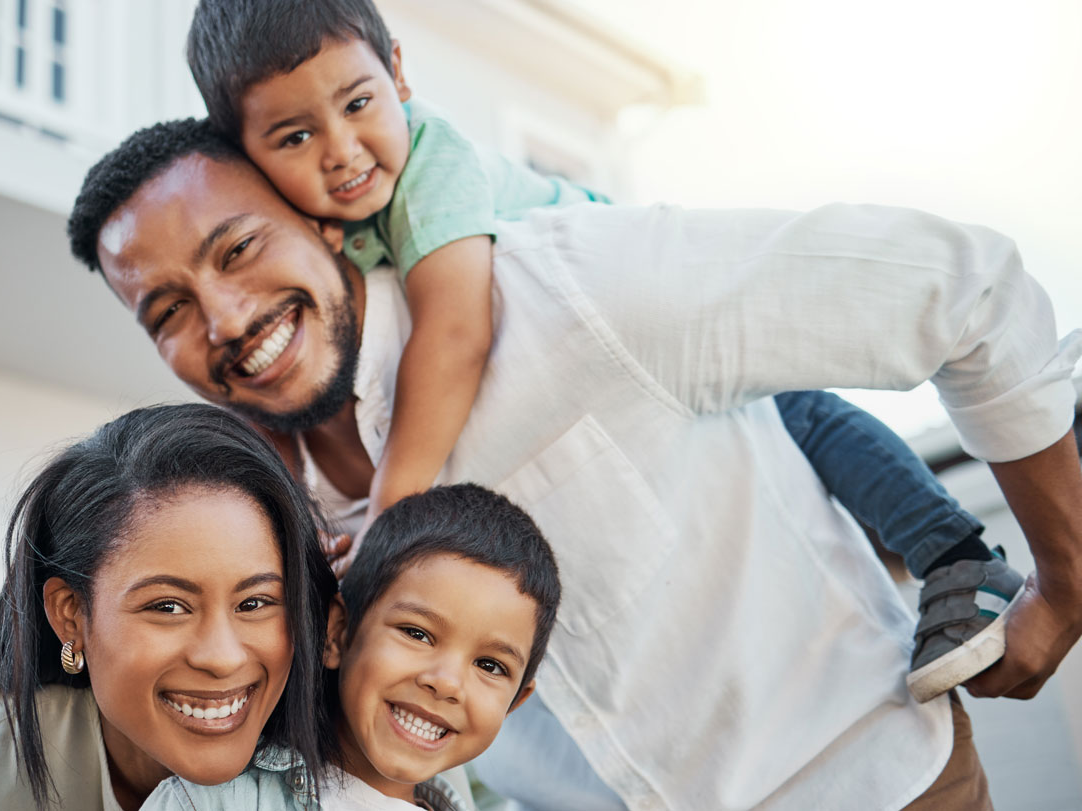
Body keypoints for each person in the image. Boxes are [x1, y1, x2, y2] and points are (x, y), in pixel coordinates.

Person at [64, 119, 1082, 809]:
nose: (227, 319)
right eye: (169, 309)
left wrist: (1065, 584)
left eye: (239, 249)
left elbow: (965, 291)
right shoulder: (275, 527)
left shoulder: (570, 289)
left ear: (323, 214)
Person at [183, 0, 1017, 704]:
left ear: (400, 74)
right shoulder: (324, 225)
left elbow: (455, 328)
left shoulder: (434, 160)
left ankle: (956, 554)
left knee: (803, 412)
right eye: (293, 138)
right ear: (248, 158)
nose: (340, 148)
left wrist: (395, 502)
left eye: (359, 102)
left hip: (646, 305)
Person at [0, 404, 339, 811]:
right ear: (71, 615)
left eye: (255, 602)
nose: (222, 658)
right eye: (168, 606)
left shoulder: (346, 768)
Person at [143, 484, 562, 811]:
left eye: (490, 665)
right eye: (417, 633)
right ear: (338, 633)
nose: (446, 682)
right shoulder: (212, 802)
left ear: (517, 700)